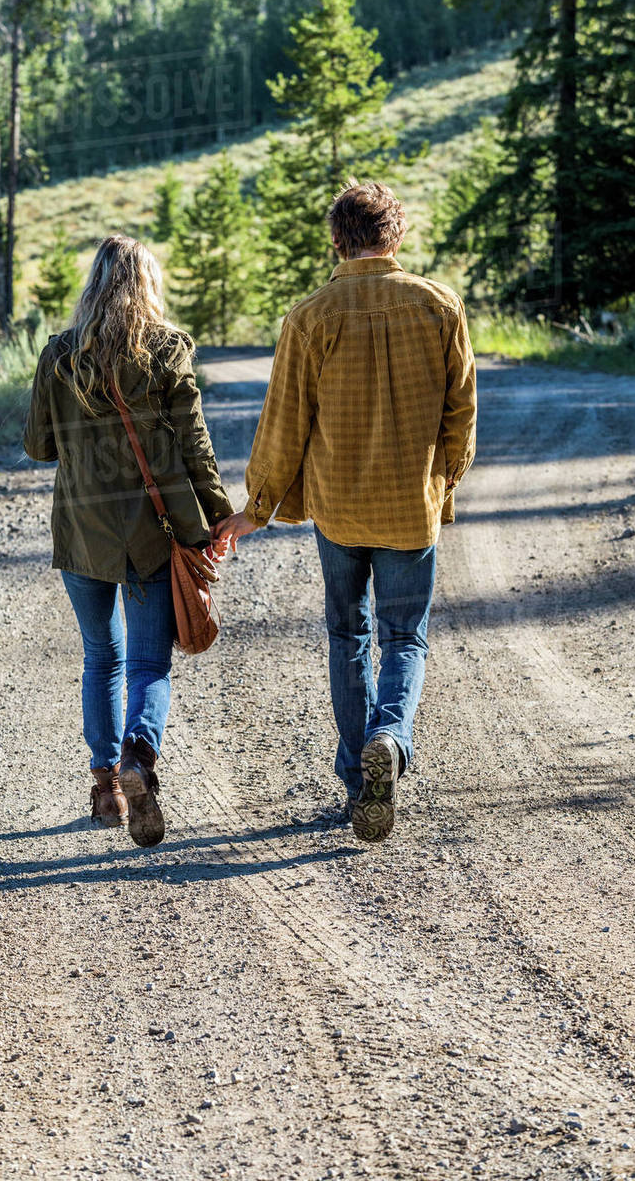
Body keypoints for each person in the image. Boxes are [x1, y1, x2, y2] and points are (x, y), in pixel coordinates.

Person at [215, 179, 477, 844]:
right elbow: (461, 417)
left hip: (338, 511)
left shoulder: (311, 316)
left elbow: (284, 424)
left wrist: (258, 506)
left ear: (338, 239)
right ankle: (391, 738)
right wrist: (441, 485)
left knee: (347, 635)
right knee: (405, 638)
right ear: (397, 234)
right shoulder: (440, 305)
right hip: (409, 510)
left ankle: (359, 778)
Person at [24, 234, 233, 847]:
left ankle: (106, 786)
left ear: (93, 285)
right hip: (152, 532)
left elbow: (39, 447)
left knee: (101, 657)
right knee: (147, 664)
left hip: (83, 532)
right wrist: (219, 515)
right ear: (148, 285)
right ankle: (140, 757)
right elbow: (195, 443)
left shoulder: (58, 356)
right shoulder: (166, 351)